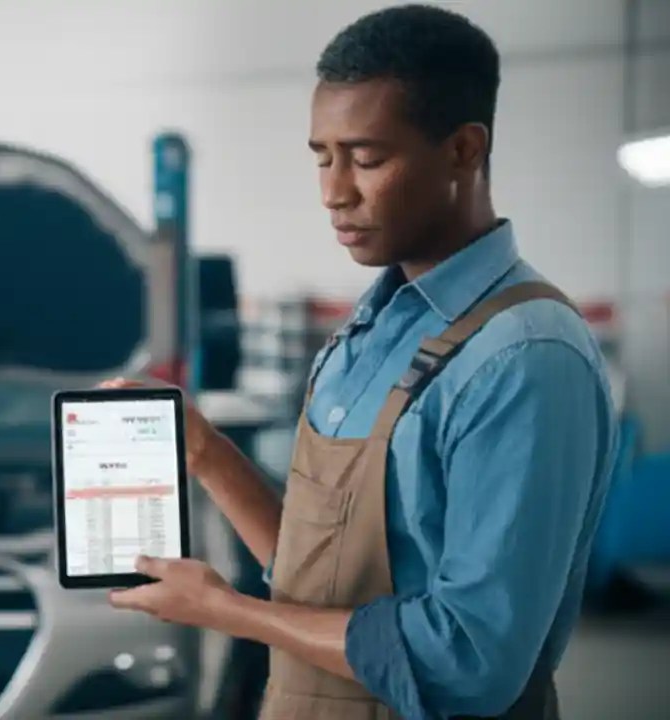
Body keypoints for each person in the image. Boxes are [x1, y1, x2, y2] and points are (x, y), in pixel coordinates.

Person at [106, 6, 616, 720]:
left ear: (465, 150)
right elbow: (311, 578)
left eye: (367, 159)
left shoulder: (524, 358)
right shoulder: (367, 332)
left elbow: (469, 664)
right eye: (322, 156)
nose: (333, 191)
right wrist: (206, 451)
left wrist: (229, 611)